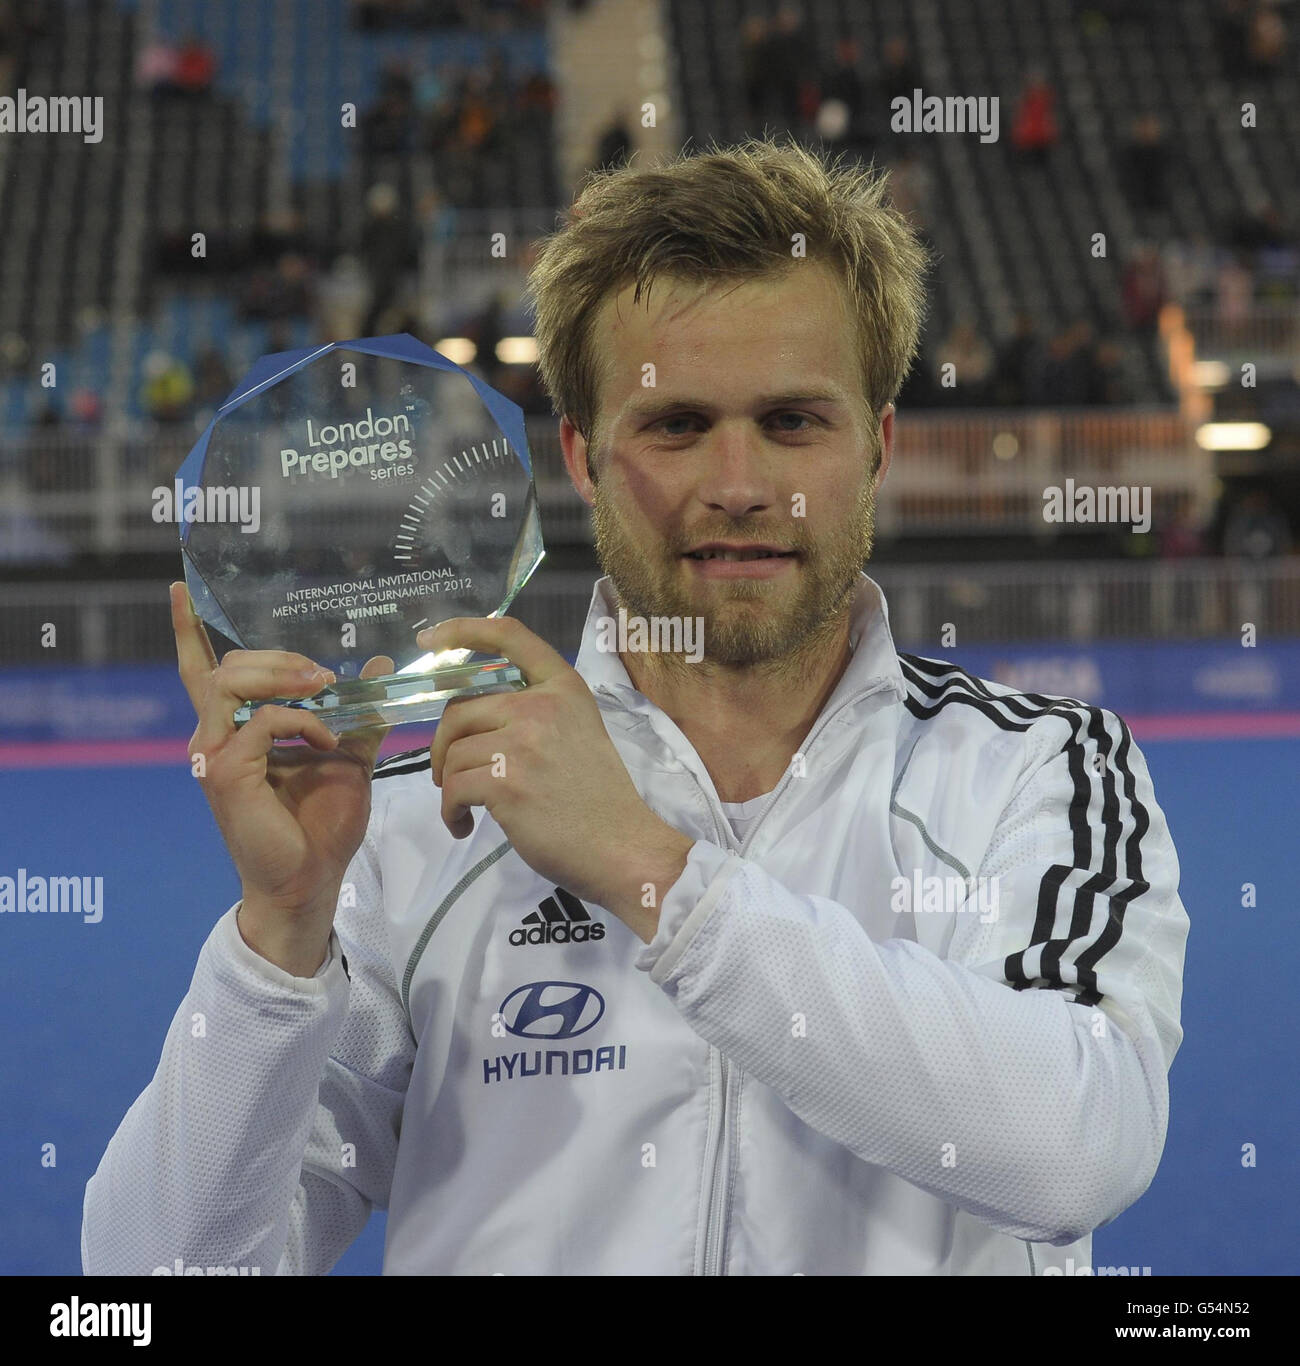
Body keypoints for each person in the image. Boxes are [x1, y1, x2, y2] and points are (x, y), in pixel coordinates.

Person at [83, 136, 1188, 1276]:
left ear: (879, 446)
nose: (739, 484)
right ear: (581, 457)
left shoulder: (1037, 769)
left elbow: (1077, 1148)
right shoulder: (414, 814)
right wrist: (277, 938)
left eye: (794, 422)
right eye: (675, 424)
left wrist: (653, 874)